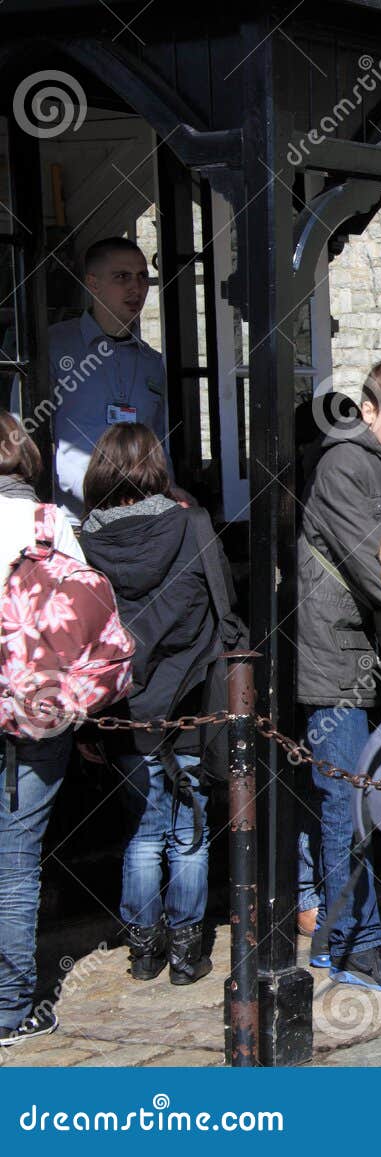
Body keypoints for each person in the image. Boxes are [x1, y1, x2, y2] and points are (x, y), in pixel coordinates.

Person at [78, 424, 234, 986]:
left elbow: (85, 632)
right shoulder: (191, 525)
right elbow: (224, 609)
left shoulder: (84, 543)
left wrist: (88, 722)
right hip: (191, 699)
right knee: (188, 827)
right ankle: (187, 955)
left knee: (144, 831)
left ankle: (144, 952)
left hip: (123, 706)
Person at [297, 360, 381, 993]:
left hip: (374, 655)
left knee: (369, 800)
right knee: (344, 803)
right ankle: (349, 944)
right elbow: (380, 568)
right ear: (370, 410)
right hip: (336, 655)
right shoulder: (344, 466)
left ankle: (357, 931)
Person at [0, 413, 83, 1047]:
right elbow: (85, 625)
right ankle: (9, 1007)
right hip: (39, 712)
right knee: (16, 862)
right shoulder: (53, 526)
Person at [13, 238, 168, 525]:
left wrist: (171, 489)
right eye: (122, 277)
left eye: (143, 277)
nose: (136, 288)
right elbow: (22, 434)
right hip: (70, 521)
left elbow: (159, 441)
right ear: (93, 284)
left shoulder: (153, 362)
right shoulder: (52, 349)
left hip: (141, 519)